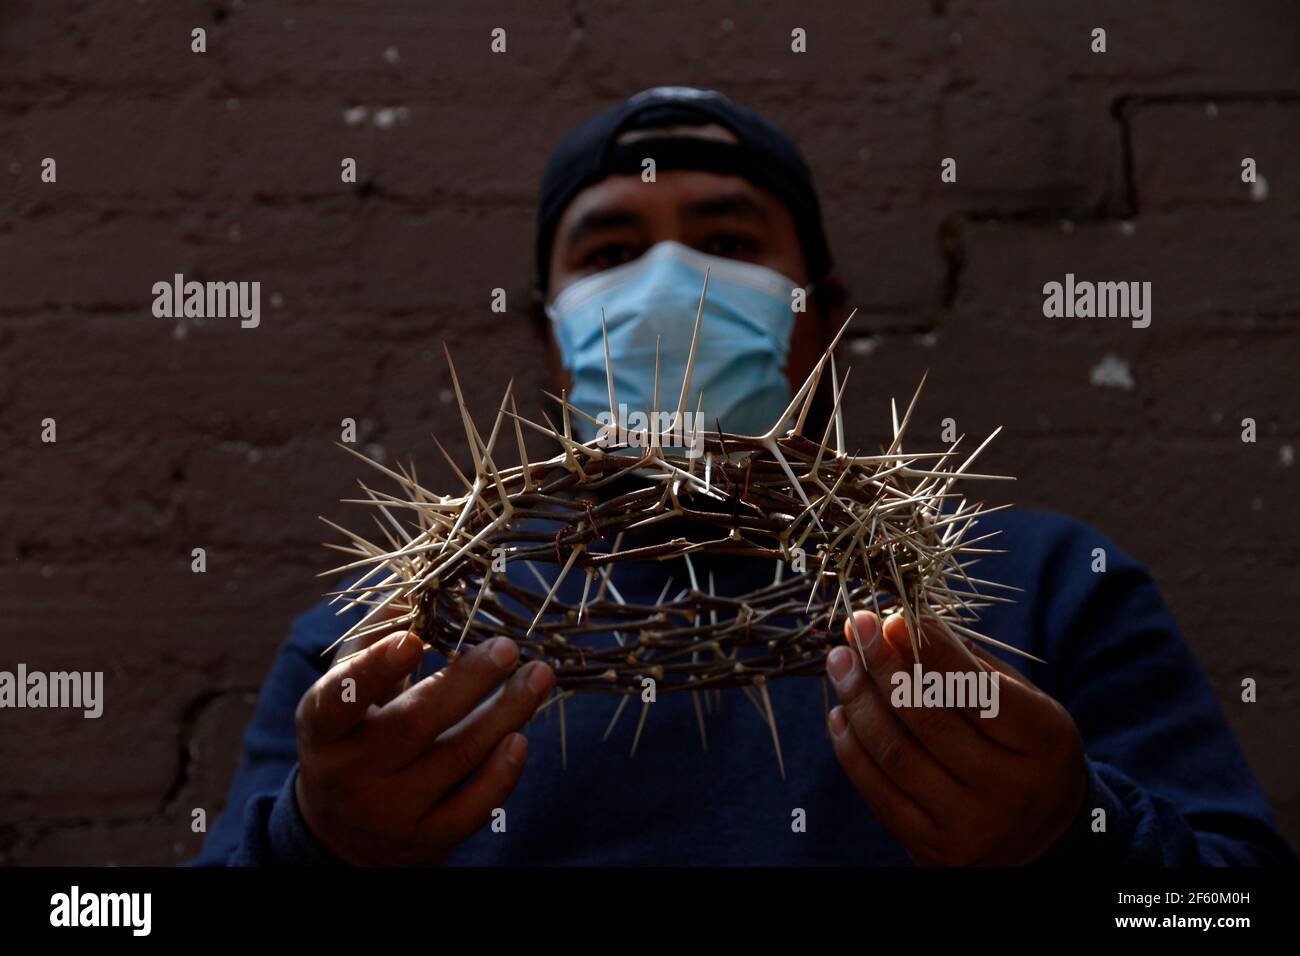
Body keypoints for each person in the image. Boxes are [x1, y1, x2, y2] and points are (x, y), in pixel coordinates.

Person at [193, 87, 1295, 866]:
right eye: (612, 252)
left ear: (812, 317)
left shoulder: (1043, 582)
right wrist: (313, 846)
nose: (670, 279)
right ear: (550, 338)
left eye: (726, 237)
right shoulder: (384, 641)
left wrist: (1074, 835)